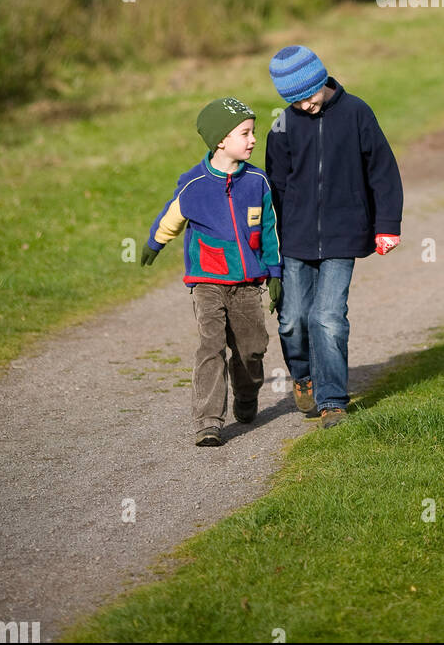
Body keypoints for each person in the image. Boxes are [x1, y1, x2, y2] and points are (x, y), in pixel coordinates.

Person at [265, 45, 403, 428]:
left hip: (344, 233)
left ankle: (332, 401)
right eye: (294, 103)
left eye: (308, 97)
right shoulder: (283, 125)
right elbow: (274, 186)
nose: (305, 106)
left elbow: (383, 171)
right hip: (295, 237)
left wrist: (387, 225)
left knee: (327, 317)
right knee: (293, 320)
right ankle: (303, 375)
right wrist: (268, 240)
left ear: (321, 80)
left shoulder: (357, 112)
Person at [140, 97, 281, 447]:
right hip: (207, 280)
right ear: (221, 140)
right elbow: (172, 215)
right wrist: (155, 243)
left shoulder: (258, 182)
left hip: (248, 282)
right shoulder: (195, 184)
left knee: (252, 349)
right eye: (245, 133)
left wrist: (276, 272)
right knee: (211, 345)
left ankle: (246, 396)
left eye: (253, 133)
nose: (252, 140)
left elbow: (270, 230)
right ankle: (208, 421)